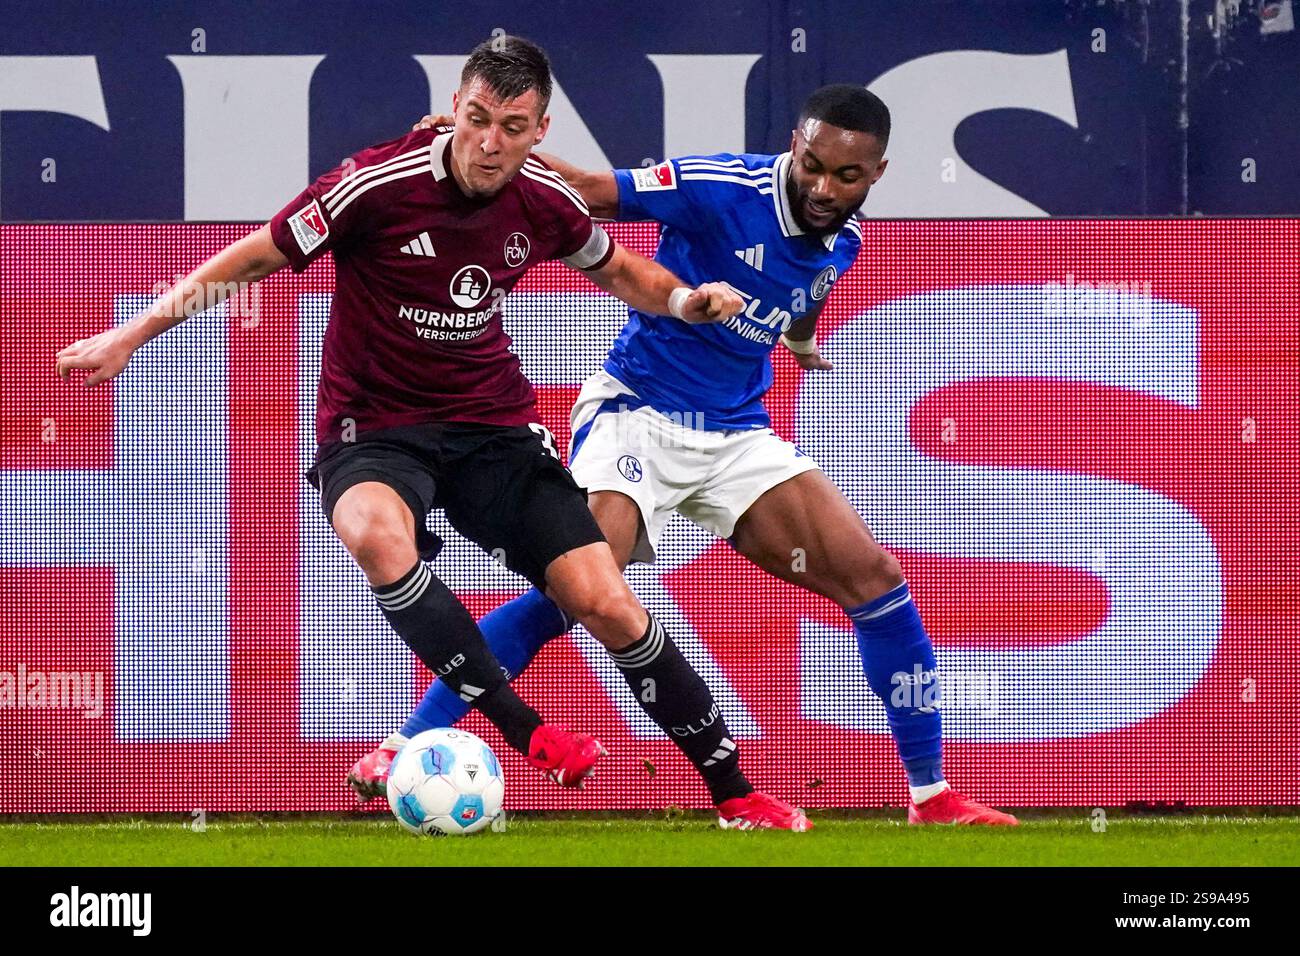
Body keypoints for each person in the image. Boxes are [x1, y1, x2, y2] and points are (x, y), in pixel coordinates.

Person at [56, 37, 809, 828]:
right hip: (374, 427)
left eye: (511, 127)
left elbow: (621, 270)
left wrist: (686, 300)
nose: (490, 143)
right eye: (477, 118)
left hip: (493, 427)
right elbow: (250, 261)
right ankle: (532, 735)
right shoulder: (375, 183)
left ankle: (735, 793)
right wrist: (130, 336)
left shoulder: (545, 197)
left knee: (604, 599)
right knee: (376, 536)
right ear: (455, 108)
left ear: (540, 130)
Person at [351, 83, 1018, 825]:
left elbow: (807, 298)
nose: (824, 187)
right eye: (813, 166)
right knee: (578, 589)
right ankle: (402, 744)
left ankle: (933, 796)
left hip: (737, 435)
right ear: (796, 146)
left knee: (878, 581)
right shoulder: (718, 186)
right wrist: (490, 145)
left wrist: (800, 345)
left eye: (847, 177)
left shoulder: (847, 240)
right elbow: (590, 193)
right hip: (638, 417)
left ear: (878, 175)